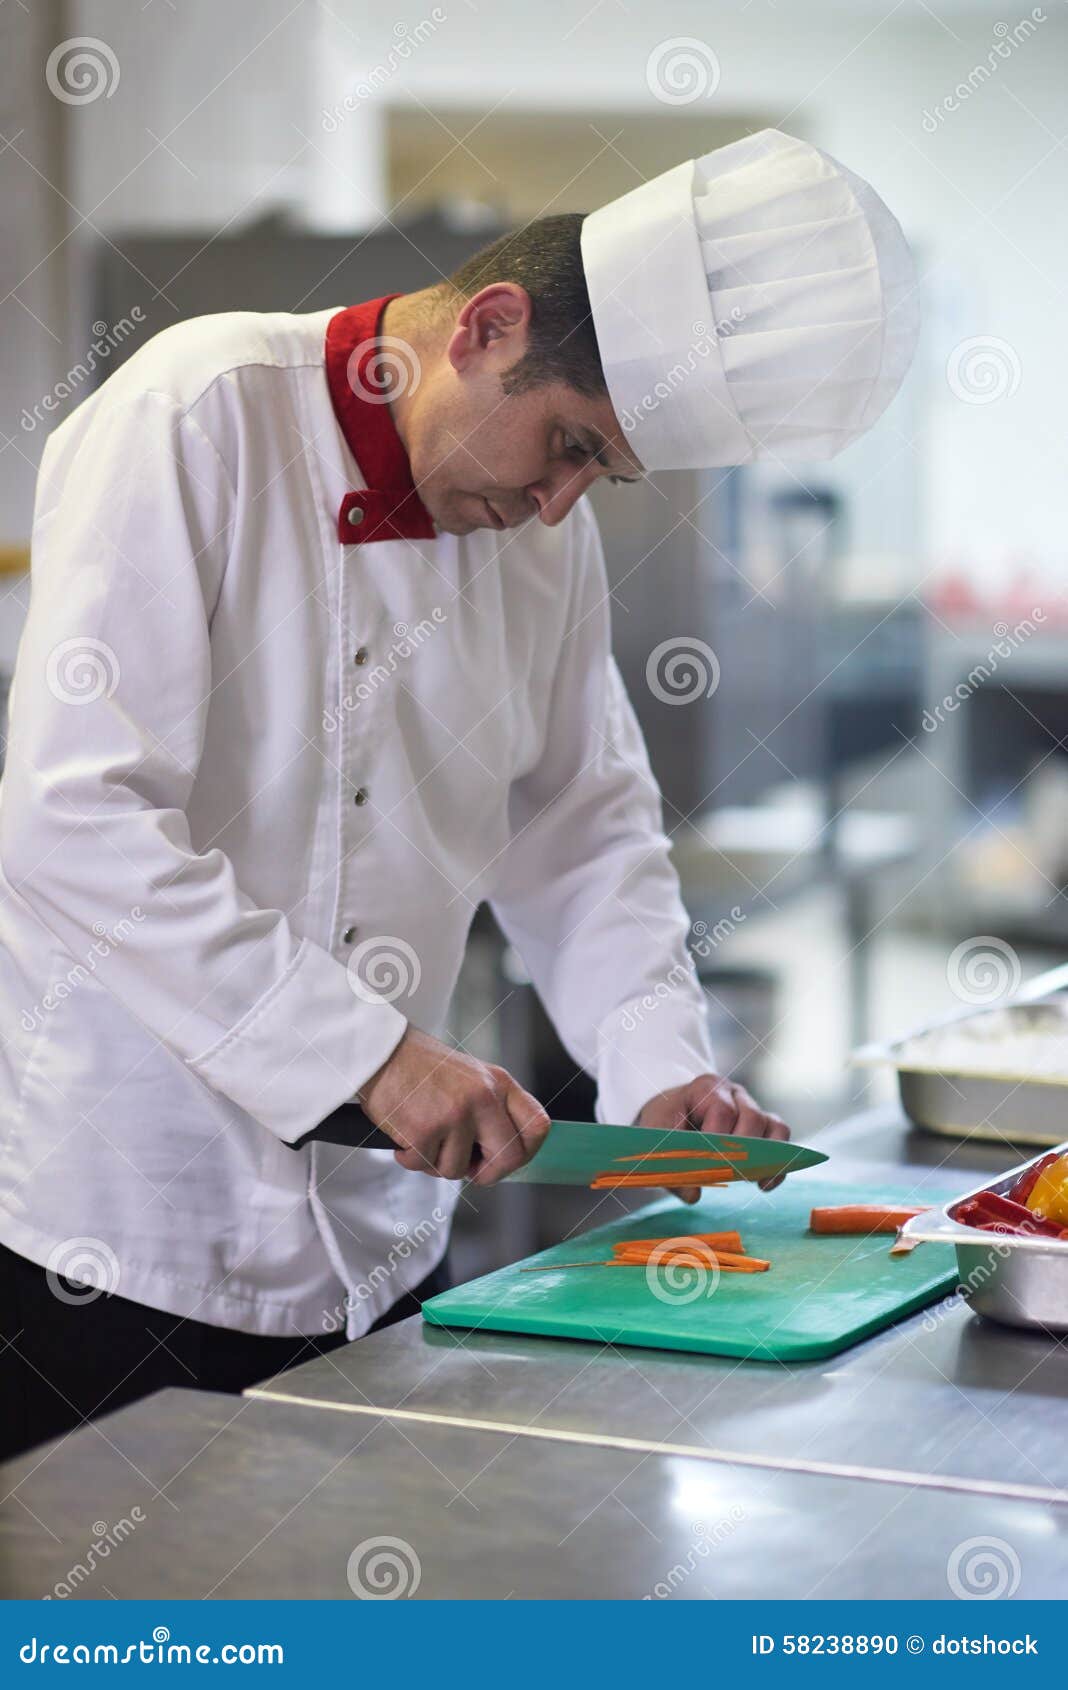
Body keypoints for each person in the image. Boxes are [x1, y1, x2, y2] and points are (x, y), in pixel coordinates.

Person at [0, 128, 918, 1457]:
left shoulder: (545, 542)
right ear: (487, 326)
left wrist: (661, 1066)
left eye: (598, 473)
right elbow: (70, 820)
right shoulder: (191, 414)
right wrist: (365, 1052)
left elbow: (581, 825)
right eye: (564, 445)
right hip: (121, 1234)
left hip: (380, 1247)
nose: (558, 505)